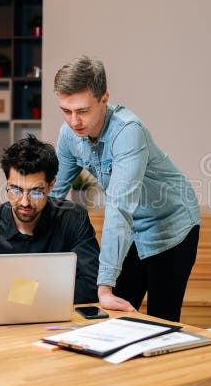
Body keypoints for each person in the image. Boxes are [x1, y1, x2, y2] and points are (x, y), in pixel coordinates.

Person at [49, 55, 200, 322]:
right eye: (66, 111)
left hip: (172, 225)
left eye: (82, 111)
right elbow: (53, 195)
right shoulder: (69, 134)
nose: (74, 122)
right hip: (134, 230)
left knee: (160, 322)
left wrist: (105, 286)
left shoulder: (128, 131)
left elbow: (119, 208)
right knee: (112, 316)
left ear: (104, 99)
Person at [0, 135, 99, 314]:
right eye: (15, 190)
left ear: (51, 185)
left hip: (54, 326)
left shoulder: (73, 220)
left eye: (36, 191)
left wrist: (19, 294)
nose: (24, 202)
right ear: (6, 182)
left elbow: (91, 286)